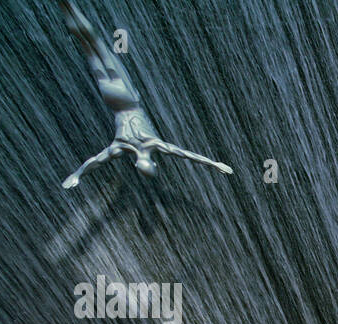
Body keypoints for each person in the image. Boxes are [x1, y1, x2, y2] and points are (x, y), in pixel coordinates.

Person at [58, 0, 232, 189]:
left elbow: (185, 154)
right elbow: (96, 161)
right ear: (136, 164)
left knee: (98, 44)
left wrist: (215, 164)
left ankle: (70, 6)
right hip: (110, 98)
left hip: (128, 96)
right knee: (90, 50)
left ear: (153, 162)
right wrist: (77, 175)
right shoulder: (120, 147)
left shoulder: (153, 144)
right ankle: (65, 7)